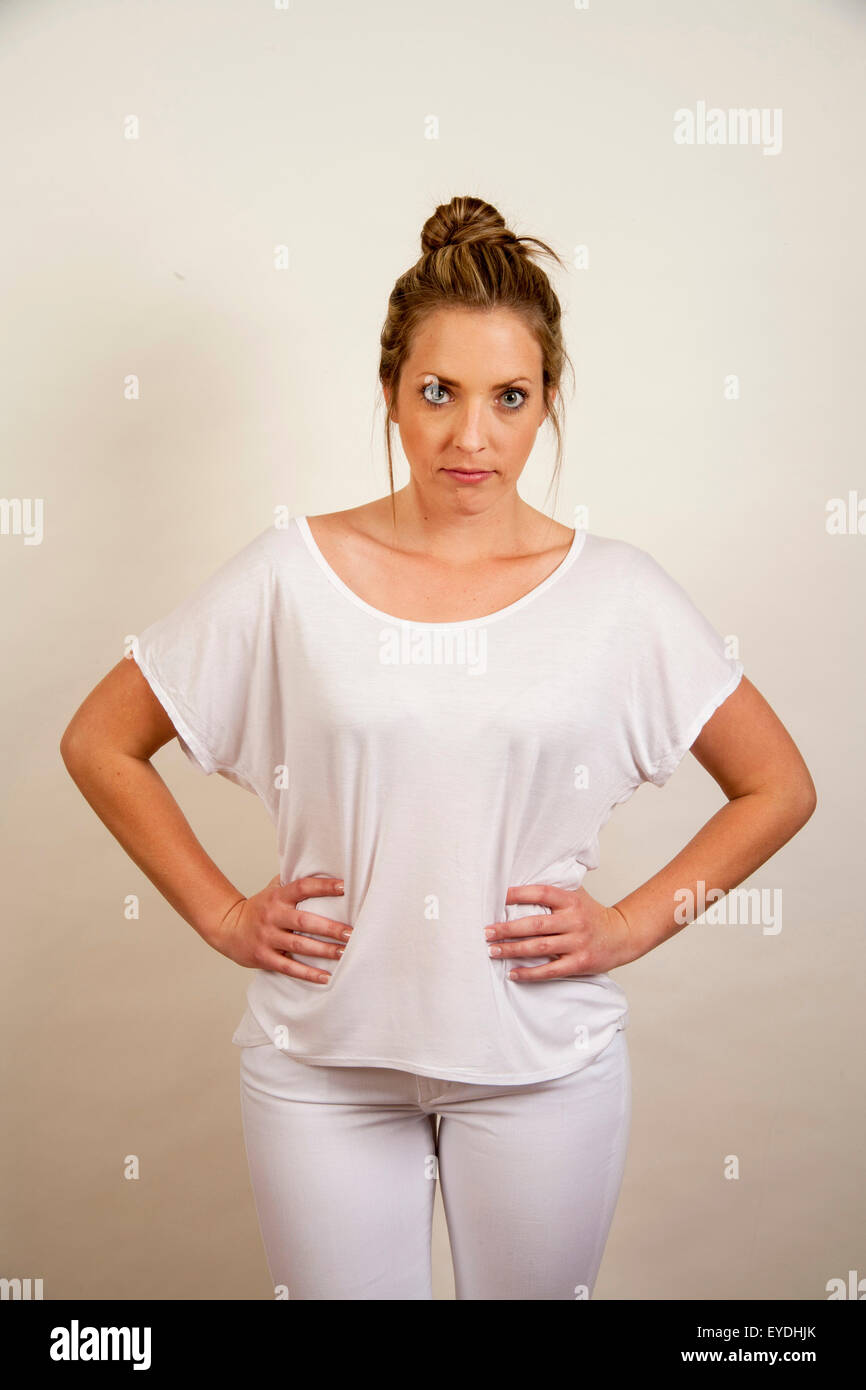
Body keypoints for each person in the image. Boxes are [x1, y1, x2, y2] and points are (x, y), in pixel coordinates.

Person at [60, 194, 817, 1301]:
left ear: (546, 400)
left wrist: (623, 925)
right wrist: (225, 913)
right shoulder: (290, 574)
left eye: (509, 398)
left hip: (537, 1066)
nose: (472, 437)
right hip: (322, 1063)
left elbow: (776, 786)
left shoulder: (616, 594)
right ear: (389, 394)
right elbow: (100, 741)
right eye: (438, 393)